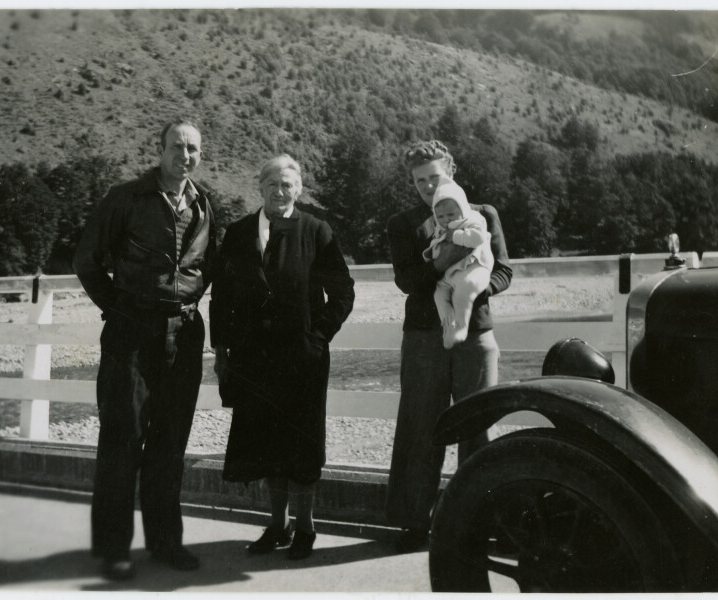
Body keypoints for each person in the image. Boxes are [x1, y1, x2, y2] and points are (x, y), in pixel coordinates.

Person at [73, 119, 216, 581]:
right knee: (122, 437)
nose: (185, 155)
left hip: (184, 333)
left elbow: (205, 265)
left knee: (169, 441)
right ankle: (113, 548)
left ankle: (165, 543)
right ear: (161, 150)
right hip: (130, 333)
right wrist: (118, 308)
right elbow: (87, 261)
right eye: (177, 146)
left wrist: (187, 301)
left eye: (193, 148)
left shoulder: (203, 203)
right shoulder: (125, 198)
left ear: (201, 155)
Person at [210, 154, 355, 561]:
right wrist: (221, 347)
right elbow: (221, 295)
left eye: (287, 184)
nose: (279, 190)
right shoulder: (238, 233)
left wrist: (318, 336)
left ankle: (306, 527)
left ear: (299, 189)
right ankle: (278, 525)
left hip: (302, 360)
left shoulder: (316, 230)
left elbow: (343, 290)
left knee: (302, 445)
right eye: (272, 182)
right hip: (255, 361)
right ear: (259, 186)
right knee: (267, 444)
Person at [384, 140, 513, 553]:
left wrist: (474, 292)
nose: (426, 186)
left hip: (475, 334)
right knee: (420, 427)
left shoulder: (483, 214)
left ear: (451, 171)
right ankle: (412, 524)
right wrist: (443, 265)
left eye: (434, 177)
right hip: (423, 336)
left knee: (479, 429)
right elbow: (406, 281)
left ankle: (483, 521)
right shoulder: (403, 224)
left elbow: (505, 270)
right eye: (419, 181)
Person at [422, 179, 494, 349]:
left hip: (475, 268)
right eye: (440, 216)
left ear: (462, 209)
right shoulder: (440, 229)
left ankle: (462, 326)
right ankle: (449, 326)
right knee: (439, 295)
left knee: (463, 291)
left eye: (451, 215)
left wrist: (455, 237)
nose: (446, 220)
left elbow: (478, 237)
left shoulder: (474, 219)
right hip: (451, 273)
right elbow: (437, 246)